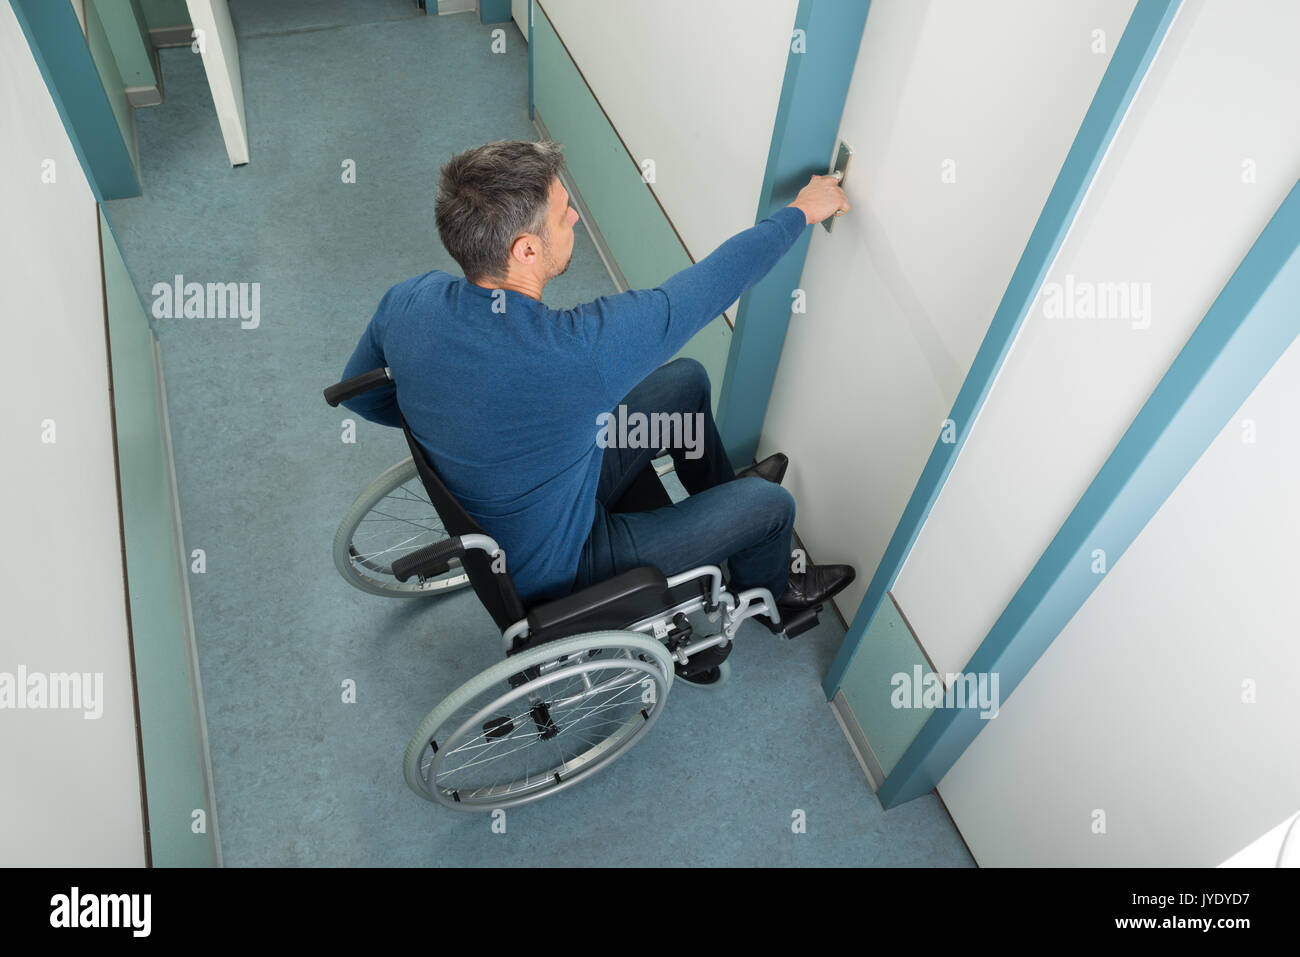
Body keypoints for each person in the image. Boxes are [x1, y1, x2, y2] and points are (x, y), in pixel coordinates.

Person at [340, 139, 856, 623]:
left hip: (535, 494)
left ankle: (721, 501)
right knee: (772, 508)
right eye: (562, 212)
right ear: (525, 250)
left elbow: (365, 399)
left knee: (685, 383)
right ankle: (774, 596)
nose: (575, 217)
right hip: (566, 558)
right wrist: (800, 212)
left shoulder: (410, 299)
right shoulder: (577, 353)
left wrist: (457, 419)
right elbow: (711, 286)